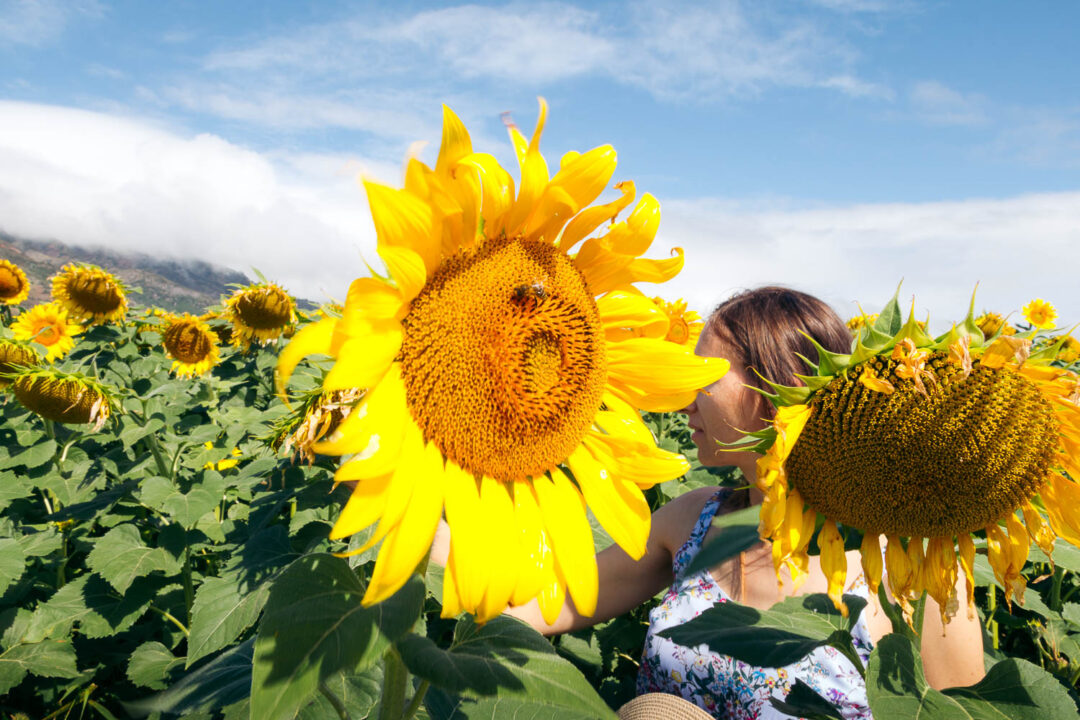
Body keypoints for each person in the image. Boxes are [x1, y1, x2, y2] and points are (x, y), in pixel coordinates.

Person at [505, 285, 986, 718]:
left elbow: (958, 709)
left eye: (705, 378)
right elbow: (551, 601)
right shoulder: (693, 519)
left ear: (776, 388)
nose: (686, 402)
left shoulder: (915, 570)